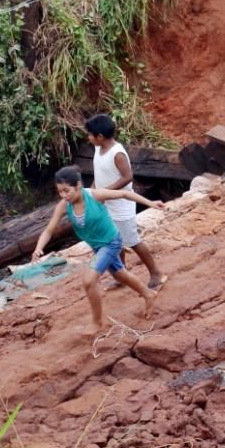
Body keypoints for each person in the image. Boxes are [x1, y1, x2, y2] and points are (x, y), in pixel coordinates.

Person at [30, 165, 161, 333]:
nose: (64, 195)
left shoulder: (94, 195)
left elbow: (124, 193)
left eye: (66, 190)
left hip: (111, 242)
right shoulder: (64, 206)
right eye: (60, 192)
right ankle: (148, 294)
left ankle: (97, 322)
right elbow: (49, 230)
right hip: (97, 246)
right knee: (120, 275)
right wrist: (38, 249)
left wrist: (150, 203)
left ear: (78, 185)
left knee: (89, 280)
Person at [84, 113, 168, 288]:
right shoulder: (98, 149)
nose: (88, 137)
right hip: (107, 204)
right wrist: (94, 192)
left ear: (100, 136)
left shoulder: (117, 153)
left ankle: (156, 273)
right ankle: (122, 276)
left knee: (133, 241)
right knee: (115, 241)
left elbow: (127, 177)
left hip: (121, 205)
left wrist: (105, 192)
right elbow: (99, 174)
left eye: (90, 134)